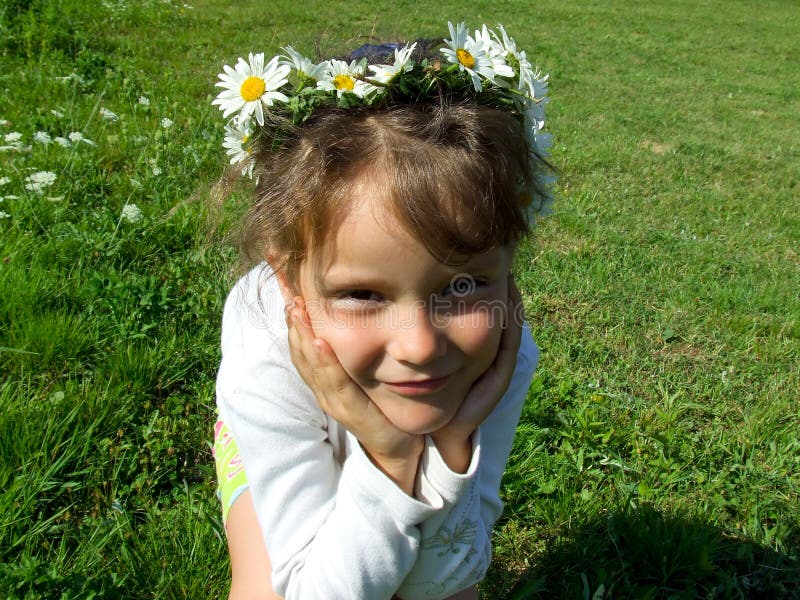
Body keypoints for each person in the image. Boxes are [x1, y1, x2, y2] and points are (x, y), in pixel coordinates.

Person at [211, 22, 555, 600]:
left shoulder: (502, 356)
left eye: (464, 284)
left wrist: (452, 441)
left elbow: (446, 578)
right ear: (288, 281)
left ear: (508, 265)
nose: (419, 346)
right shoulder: (261, 357)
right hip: (291, 436)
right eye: (364, 296)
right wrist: (395, 456)